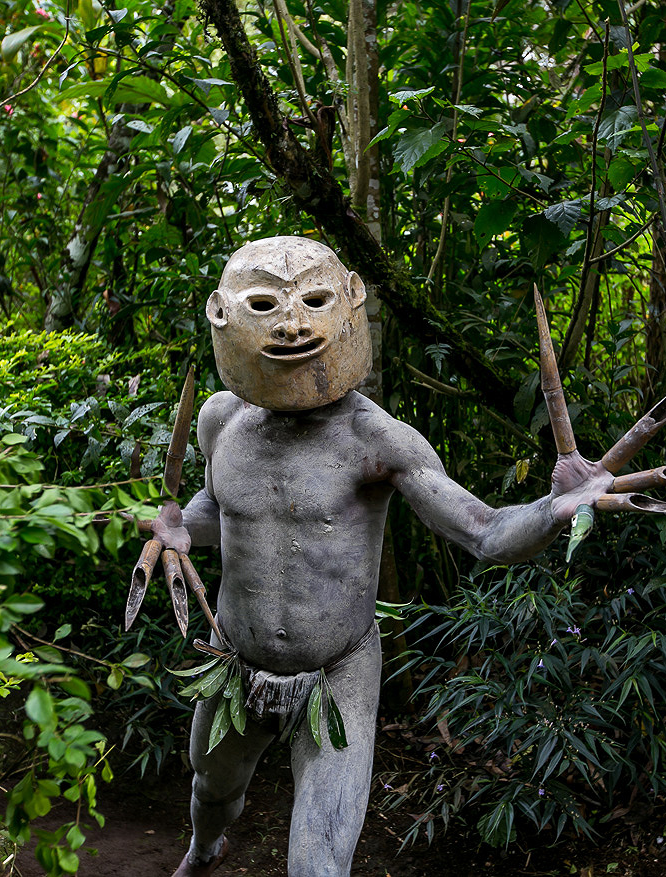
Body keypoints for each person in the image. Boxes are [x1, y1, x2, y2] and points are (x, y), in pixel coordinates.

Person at [145, 236, 640, 876]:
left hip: (337, 672)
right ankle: (204, 849)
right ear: (224, 312)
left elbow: (484, 533)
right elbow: (223, 514)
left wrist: (552, 510)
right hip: (236, 662)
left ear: (349, 302)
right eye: (266, 304)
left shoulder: (374, 438)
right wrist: (181, 527)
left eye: (314, 301)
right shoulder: (220, 422)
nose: (293, 324)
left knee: (317, 863)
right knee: (211, 790)